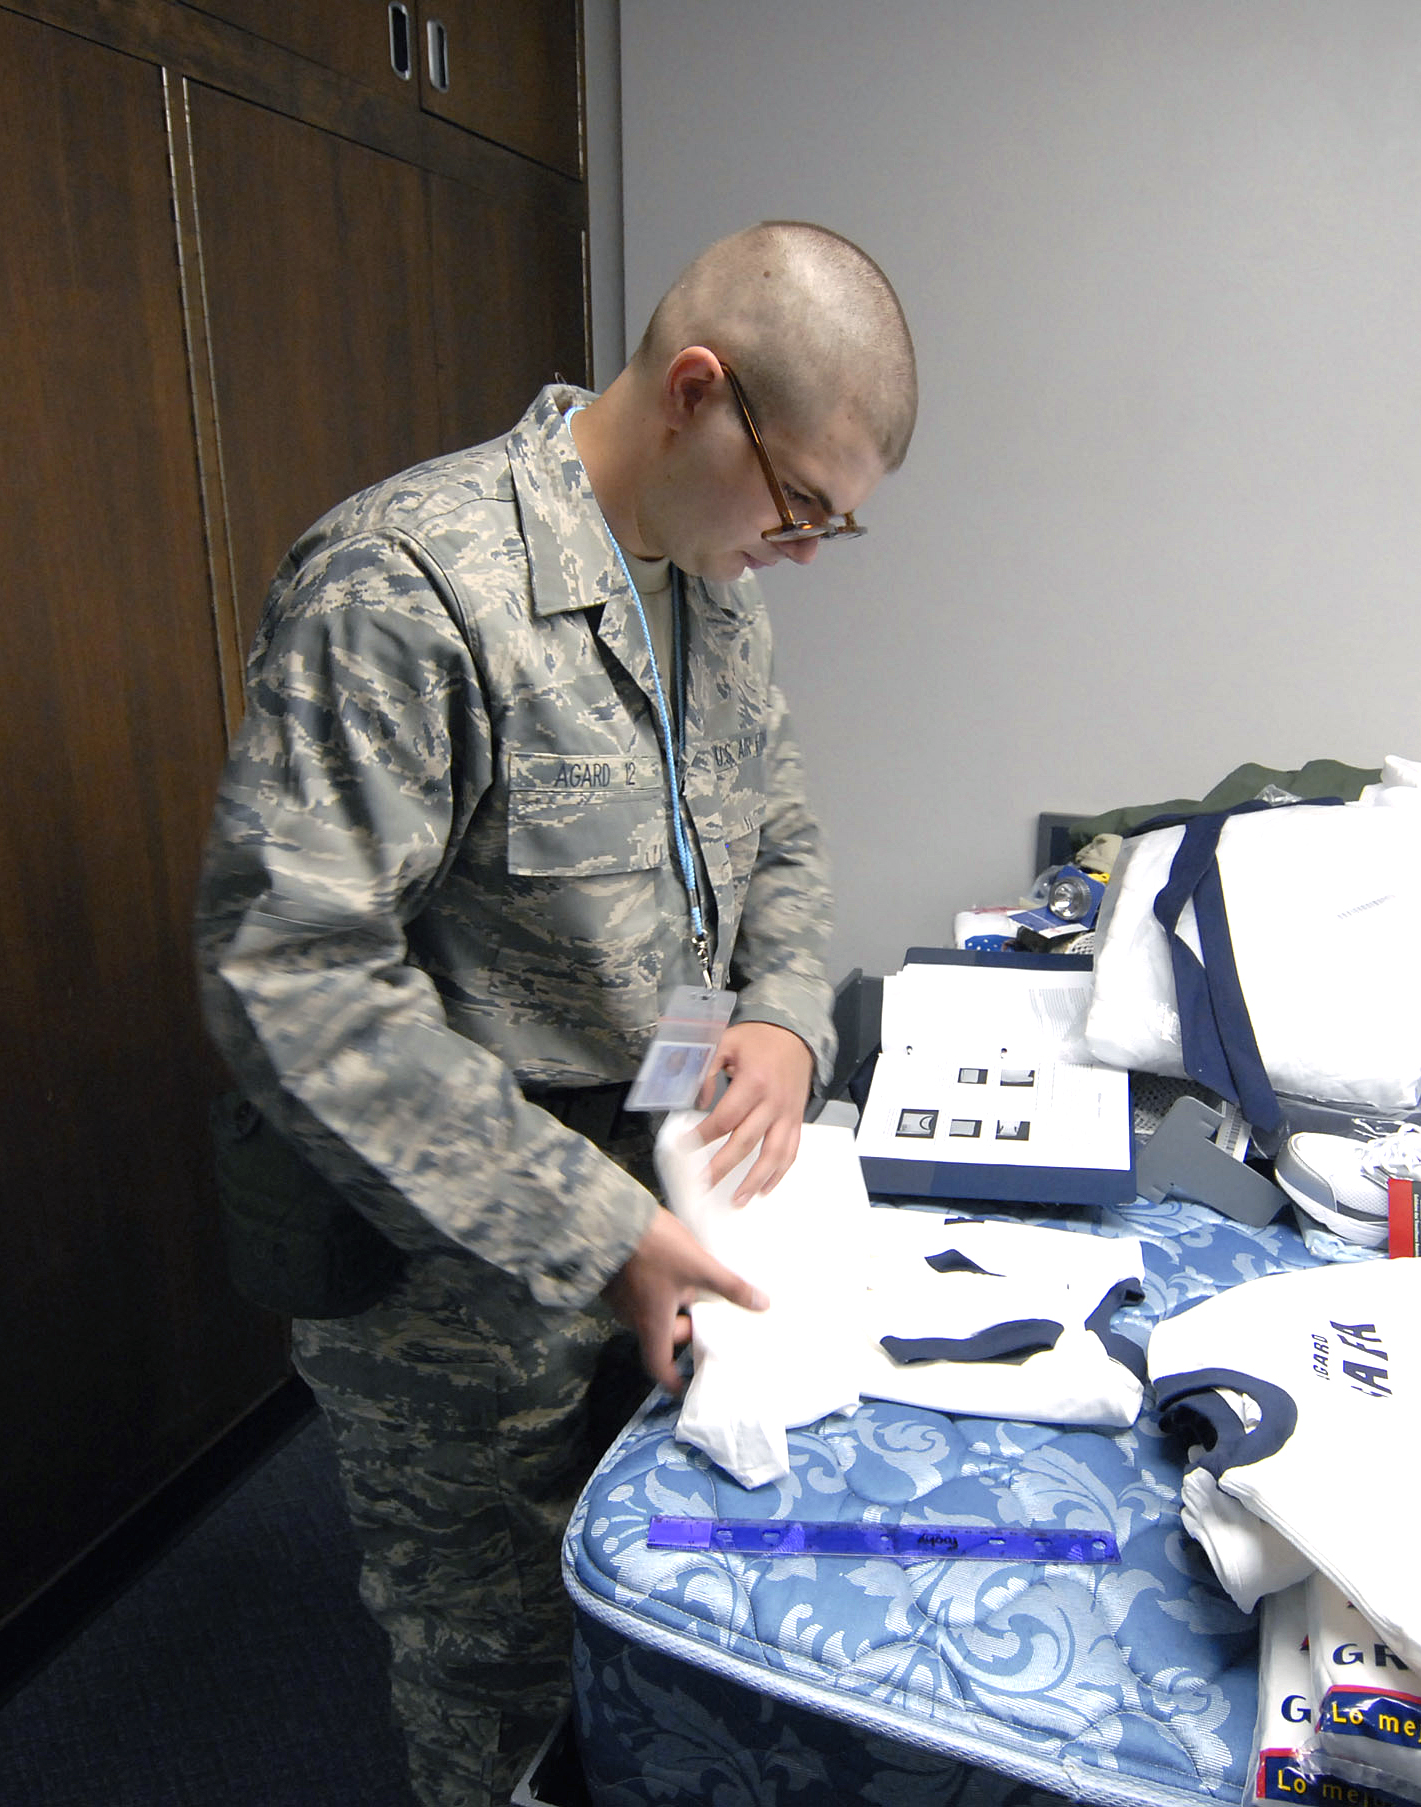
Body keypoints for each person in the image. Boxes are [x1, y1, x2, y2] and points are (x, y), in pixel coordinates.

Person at [195, 220, 918, 1805]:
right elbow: (291, 974)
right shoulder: (407, 586)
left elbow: (779, 830)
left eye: (834, 527)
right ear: (698, 391)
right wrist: (593, 1232)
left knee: (654, 1609)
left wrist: (787, 1013)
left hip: (659, 1181)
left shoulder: (713, 588)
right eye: (802, 504)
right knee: (500, 1671)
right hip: (457, 1257)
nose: (802, 551)